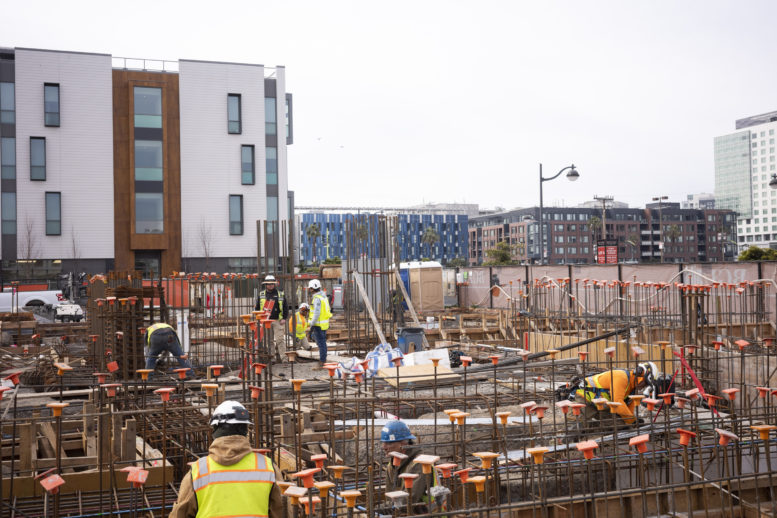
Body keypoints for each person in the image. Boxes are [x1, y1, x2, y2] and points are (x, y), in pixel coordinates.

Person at [170, 400, 283, 518]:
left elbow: (179, 515)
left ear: (215, 429)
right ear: (245, 429)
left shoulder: (197, 472)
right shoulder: (267, 468)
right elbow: (282, 511)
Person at [573, 361, 659, 424]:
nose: (644, 386)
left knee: (620, 424)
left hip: (600, 404)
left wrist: (632, 421)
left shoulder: (632, 388)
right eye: (645, 383)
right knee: (579, 424)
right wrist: (632, 421)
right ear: (640, 374)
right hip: (585, 397)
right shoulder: (621, 378)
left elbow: (628, 410)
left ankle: (593, 428)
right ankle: (565, 441)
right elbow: (617, 401)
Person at [381, 420, 437, 510]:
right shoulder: (391, 465)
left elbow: (409, 500)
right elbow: (389, 496)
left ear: (403, 443)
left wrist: (386, 509)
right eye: (383, 442)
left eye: (389, 443)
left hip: (428, 513)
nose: (384, 447)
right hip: (403, 512)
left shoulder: (419, 464)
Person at [256, 275, 289, 362]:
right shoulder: (262, 295)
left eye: (272, 283)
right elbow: (257, 308)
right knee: (269, 341)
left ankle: (284, 358)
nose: (270, 285)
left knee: (280, 340)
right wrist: (259, 319)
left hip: (277, 320)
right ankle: (272, 358)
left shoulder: (280, 294)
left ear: (275, 284)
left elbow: (285, 307)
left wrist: (284, 318)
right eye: (268, 284)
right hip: (266, 321)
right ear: (266, 285)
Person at [308, 279, 331, 364]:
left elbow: (316, 313)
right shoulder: (323, 297)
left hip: (318, 324)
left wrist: (311, 323)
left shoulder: (317, 299)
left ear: (312, 288)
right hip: (324, 324)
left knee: (321, 343)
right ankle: (323, 359)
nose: (309, 290)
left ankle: (322, 361)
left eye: (310, 288)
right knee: (322, 342)